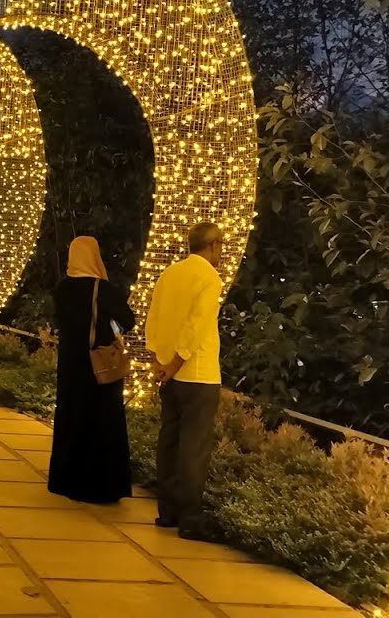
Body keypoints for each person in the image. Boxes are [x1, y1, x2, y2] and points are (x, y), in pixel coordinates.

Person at [145, 222, 226, 542]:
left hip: (169, 372)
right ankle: (190, 517)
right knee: (194, 446)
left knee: (170, 441)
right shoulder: (209, 277)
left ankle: (167, 510)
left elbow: (153, 318)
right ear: (214, 245)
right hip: (198, 373)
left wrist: (159, 363)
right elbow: (197, 325)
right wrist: (178, 362)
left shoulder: (169, 274)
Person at [47, 237, 136, 504]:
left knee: (70, 419)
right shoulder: (103, 289)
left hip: (70, 365)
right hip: (99, 366)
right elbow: (127, 321)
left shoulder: (62, 289)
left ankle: (65, 481)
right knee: (101, 423)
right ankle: (99, 487)